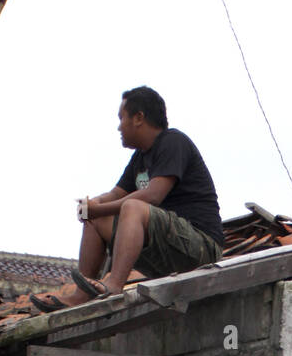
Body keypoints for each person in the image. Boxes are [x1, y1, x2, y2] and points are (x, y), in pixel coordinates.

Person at [31, 87, 224, 311]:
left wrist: (99, 209)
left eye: (121, 118)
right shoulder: (140, 158)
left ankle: (113, 284)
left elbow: (153, 195)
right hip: (168, 250)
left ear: (139, 118)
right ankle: (81, 294)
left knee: (133, 207)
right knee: (98, 219)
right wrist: (91, 206)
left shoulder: (173, 142)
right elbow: (115, 195)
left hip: (201, 248)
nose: (119, 127)